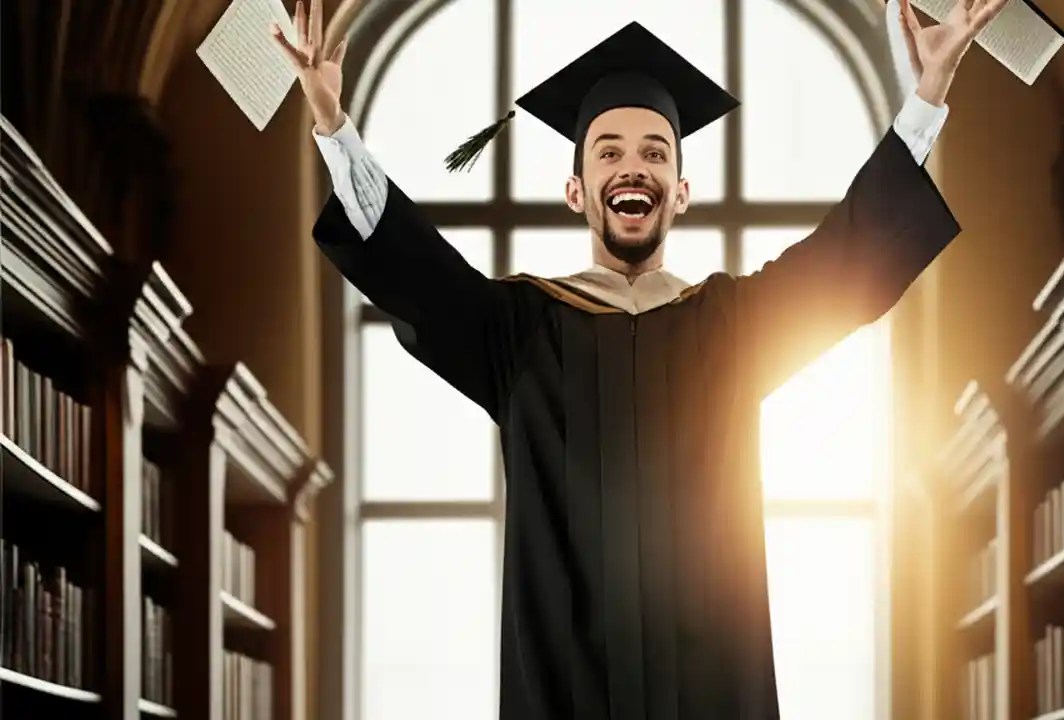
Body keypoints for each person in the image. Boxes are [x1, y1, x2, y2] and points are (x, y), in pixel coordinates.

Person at [272, 0, 1007, 717]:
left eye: (656, 153)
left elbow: (848, 256)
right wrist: (332, 124)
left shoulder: (732, 328)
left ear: (681, 193)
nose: (634, 167)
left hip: (708, 690)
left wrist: (928, 92)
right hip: (564, 691)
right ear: (576, 189)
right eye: (609, 152)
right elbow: (413, 269)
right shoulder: (518, 331)